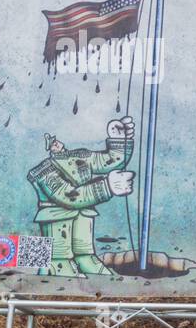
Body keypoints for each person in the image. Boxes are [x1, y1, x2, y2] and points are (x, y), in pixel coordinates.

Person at [26, 117, 135, 275]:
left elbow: (108, 161)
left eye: (55, 140)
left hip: (83, 213)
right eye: (50, 142)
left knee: (84, 252)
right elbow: (67, 195)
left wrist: (119, 139)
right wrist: (108, 186)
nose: (54, 142)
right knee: (57, 256)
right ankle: (55, 267)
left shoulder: (79, 157)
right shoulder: (43, 170)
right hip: (56, 216)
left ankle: (84, 261)